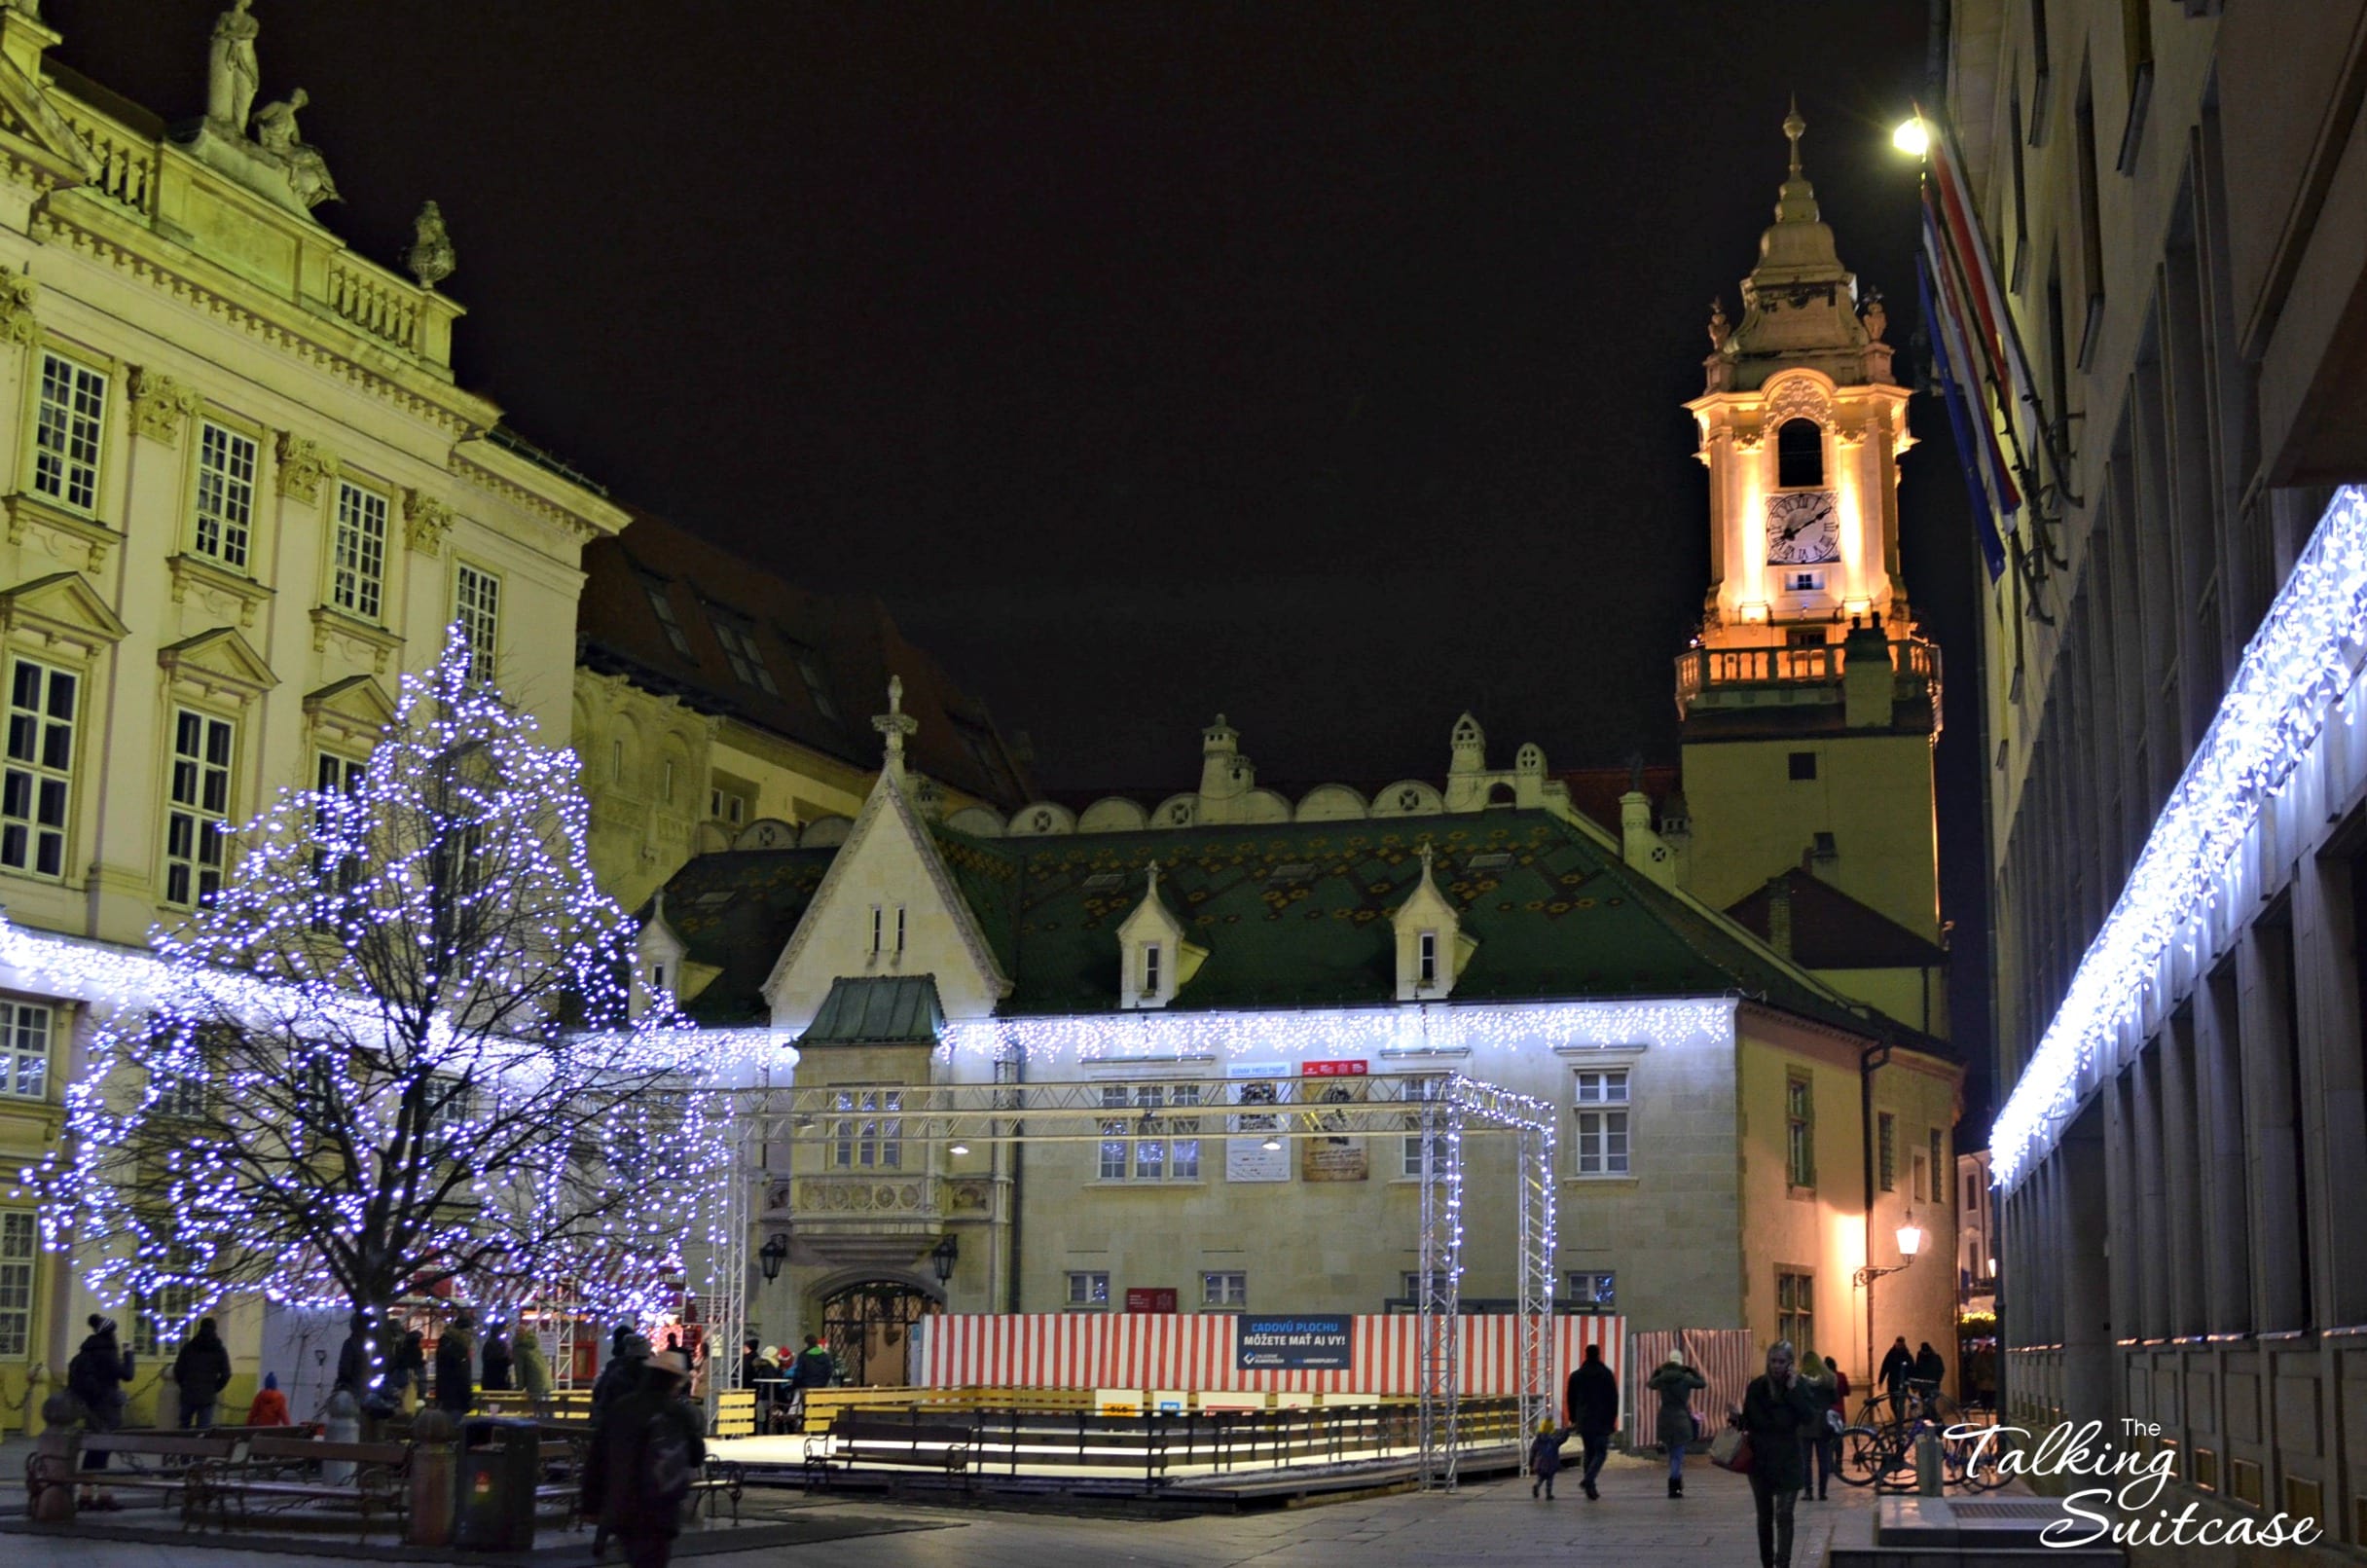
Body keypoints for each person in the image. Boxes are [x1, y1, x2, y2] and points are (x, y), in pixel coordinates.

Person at [584, 1348, 706, 1568]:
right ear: (676, 1381)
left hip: (623, 1502)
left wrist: (590, 1503)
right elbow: (697, 1456)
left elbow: (598, 1457)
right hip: (661, 1505)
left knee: (636, 1557)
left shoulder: (622, 1407)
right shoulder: (678, 1412)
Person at [1734, 1340, 1826, 1568]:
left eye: (1781, 1361)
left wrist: (1794, 1391)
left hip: (1788, 1460)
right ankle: (1767, 1563)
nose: (1776, 1366)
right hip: (1760, 1461)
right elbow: (1750, 1421)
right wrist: (1736, 1418)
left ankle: (1782, 1563)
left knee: (1784, 1514)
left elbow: (1808, 1418)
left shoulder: (1798, 1387)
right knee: (1765, 1517)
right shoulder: (1757, 1387)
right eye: (1773, 1361)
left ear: (1790, 1363)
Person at [67, 1314, 132, 1510]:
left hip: (89, 1407)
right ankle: (103, 1495)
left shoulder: (86, 1351)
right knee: (102, 1451)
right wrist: (129, 1354)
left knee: (94, 1451)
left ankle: (86, 1495)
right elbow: (128, 1375)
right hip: (107, 1407)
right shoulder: (107, 1353)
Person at [1647, 1346, 1707, 1498]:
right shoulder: (1685, 1379)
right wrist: (1692, 1371)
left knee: (1672, 1454)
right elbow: (1702, 1383)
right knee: (1678, 1455)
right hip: (1681, 1418)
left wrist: (1658, 1371)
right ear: (1681, 1363)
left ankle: (1676, 1481)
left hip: (1665, 1418)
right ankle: (1674, 1484)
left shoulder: (1661, 1379)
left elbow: (1650, 1384)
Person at [1564, 1341, 1619, 1501]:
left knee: (1589, 1452)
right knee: (1601, 1452)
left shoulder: (1576, 1376)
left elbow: (1571, 1399)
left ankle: (1591, 1487)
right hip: (1602, 1419)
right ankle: (1589, 1480)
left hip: (1584, 1419)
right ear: (1598, 1354)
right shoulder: (1606, 1374)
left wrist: (1573, 1418)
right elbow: (1613, 1399)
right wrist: (1612, 1419)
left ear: (1586, 1354)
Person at [171, 1316, 233, 1429]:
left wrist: (184, 1384)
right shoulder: (219, 1349)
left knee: (183, 1427)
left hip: (188, 1392)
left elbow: (178, 1370)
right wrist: (215, 1388)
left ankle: (182, 1446)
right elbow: (226, 1374)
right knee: (203, 1428)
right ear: (214, 1329)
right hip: (207, 1394)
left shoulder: (189, 1347)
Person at [1793, 1344, 1834, 1502]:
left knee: (1806, 1461)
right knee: (1823, 1459)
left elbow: (1796, 1400)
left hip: (1805, 1423)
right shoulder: (1828, 1379)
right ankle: (1822, 1492)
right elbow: (1834, 1399)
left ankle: (1808, 1492)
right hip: (1823, 1423)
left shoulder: (1800, 1380)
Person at [593, 1332, 652, 1421]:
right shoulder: (653, 1371)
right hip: (641, 1422)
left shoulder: (614, 1367)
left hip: (614, 1420)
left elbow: (599, 1392)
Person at [1818, 1356, 1850, 1501]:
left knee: (1827, 1439)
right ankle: (1839, 1463)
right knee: (1839, 1438)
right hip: (1840, 1411)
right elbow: (1847, 1391)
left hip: (1827, 1411)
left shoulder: (1823, 1378)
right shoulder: (1841, 1376)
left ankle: (1829, 1463)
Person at [435, 1317, 475, 1417]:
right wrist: (468, 1397)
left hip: (445, 1397)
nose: (470, 1337)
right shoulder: (458, 1348)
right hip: (457, 1399)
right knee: (455, 1428)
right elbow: (463, 1375)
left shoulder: (445, 1344)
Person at [1528, 1416, 1573, 1500]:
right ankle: (1548, 1494)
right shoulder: (1553, 1440)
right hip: (1551, 1463)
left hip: (1540, 1463)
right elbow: (1562, 1439)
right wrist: (1567, 1430)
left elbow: (1532, 1452)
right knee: (1550, 1479)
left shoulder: (1538, 1440)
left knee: (1541, 1478)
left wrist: (1530, 1463)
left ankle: (1537, 1486)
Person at [513, 1327, 553, 1416]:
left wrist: (519, 1387)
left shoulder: (519, 1348)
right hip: (546, 1382)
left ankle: (541, 1427)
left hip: (534, 1383)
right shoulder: (534, 1344)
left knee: (537, 1411)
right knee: (548, 1410)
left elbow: (519, 1370)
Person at [333, 1313, 372, 1398]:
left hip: (356, 1387)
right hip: (358, 1388)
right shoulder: (354, 1344)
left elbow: (344, 1367)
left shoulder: (351, 1343)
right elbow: (345, 1367)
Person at [1878, 1335, 1914, 1419]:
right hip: (1893, 1382)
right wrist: (1881, 1380)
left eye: (1900, 1344)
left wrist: (1913, 1385)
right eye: (1898, 1344)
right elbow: (1885, 1367)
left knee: (1901, 1403)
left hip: (1903, 1383)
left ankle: (1900, 1421)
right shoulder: (1891, 1354)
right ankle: (1899, 1418)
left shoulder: (1907, 1355)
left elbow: (1911, 1370)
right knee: (1893, 1403)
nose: (1899, 1346)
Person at [481, 1323, 514, 1394]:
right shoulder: (500, 1344)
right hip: (500, 1381)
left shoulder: (487, 1344)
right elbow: (503, 1361)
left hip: (487, 1380)